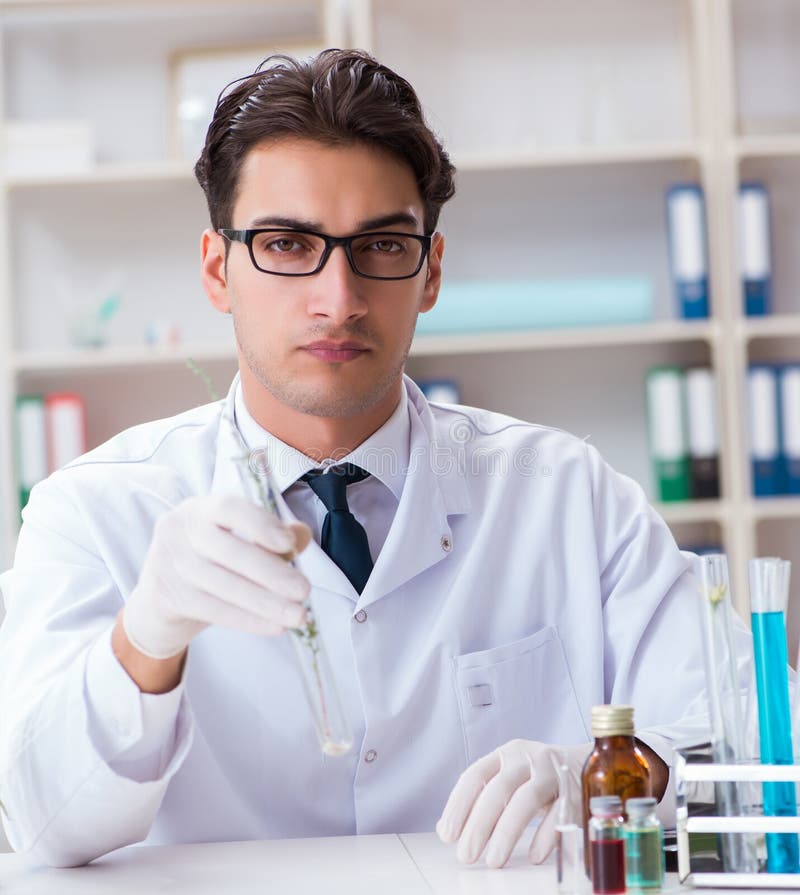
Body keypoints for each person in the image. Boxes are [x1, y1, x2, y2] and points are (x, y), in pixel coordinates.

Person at [0, 49, 714, 869]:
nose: (338, 299)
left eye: (380, 245)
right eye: (286, 243)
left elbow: (750, 732)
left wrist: (622, 774)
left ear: (431, 272)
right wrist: (144, 641)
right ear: (218, 270)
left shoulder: (565, 492)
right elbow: (39, 825)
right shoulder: (94, 510)